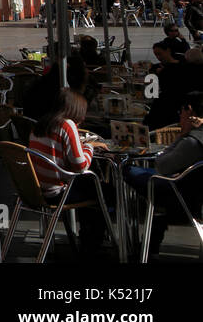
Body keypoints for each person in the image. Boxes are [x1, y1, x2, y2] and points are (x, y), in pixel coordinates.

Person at [29, 88, 109, 256]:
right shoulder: (67, 125)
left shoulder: (40, 124)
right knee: (103, 190)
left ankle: (88, 239)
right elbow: (80, 166)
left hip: (35, 189)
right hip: (58, 192)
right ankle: (93, 243)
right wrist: (89, 147)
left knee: (90, 186)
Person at [124, 91, 203, 258]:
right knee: (153, 191)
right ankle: (150, 245)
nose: (180, 115)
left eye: (182, 111)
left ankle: (140, 247)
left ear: (190, 112)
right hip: (191, 194)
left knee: (129, 171)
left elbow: (161, 165)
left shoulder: (192, 141)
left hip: (180, 195)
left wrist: (183, 134)